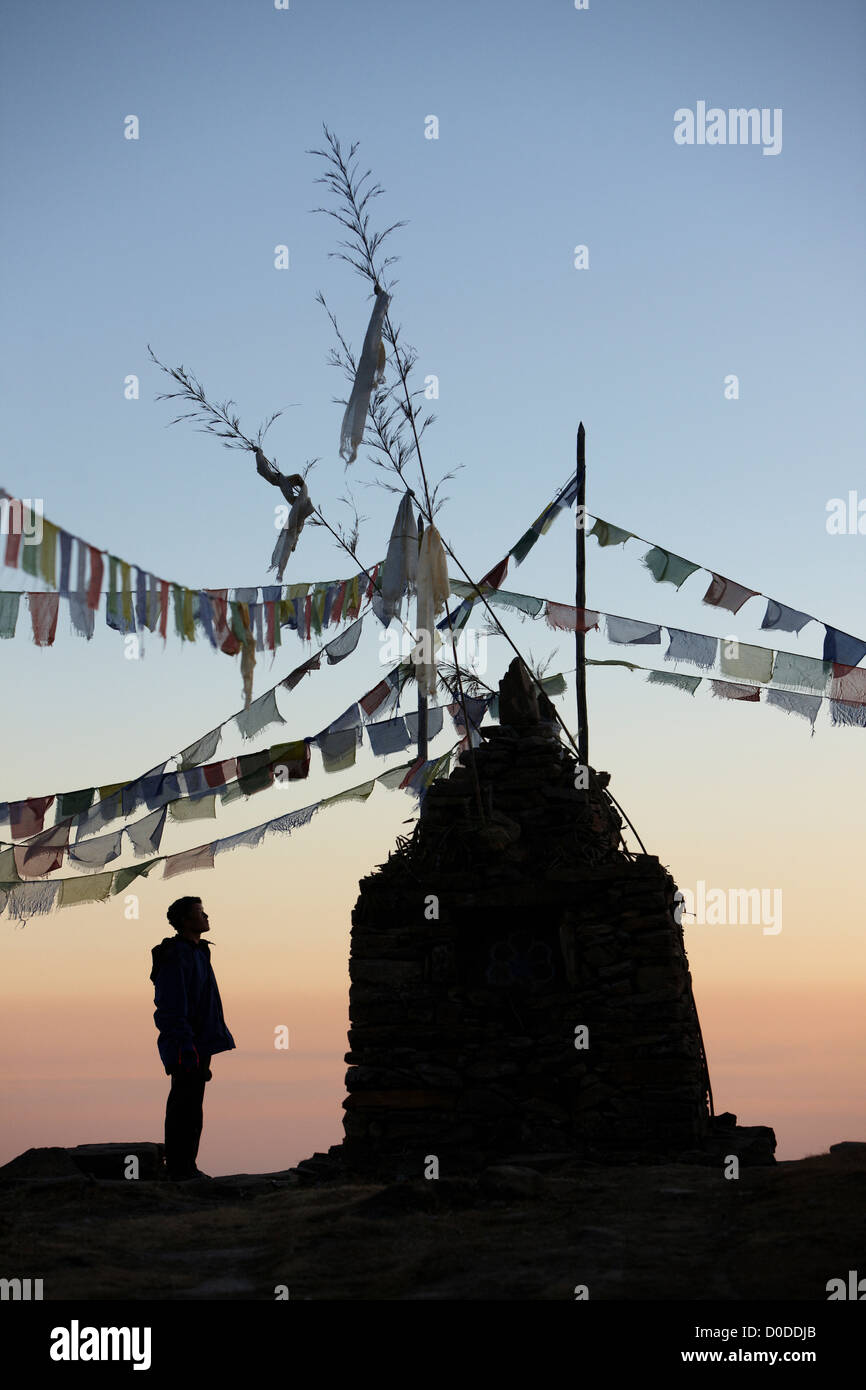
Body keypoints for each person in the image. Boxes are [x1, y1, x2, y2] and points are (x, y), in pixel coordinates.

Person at [150, 897, 236, 1181]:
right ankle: (179, 1168)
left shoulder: (199, 952)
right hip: (186, 1044)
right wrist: (185, 1045)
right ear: (186, 921)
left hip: (201, 1041)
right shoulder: (176, 955)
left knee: (193, 1106)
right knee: (183, 1106)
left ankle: (187, 1165)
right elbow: (173, 1005)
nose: (206, 916)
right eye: (200, 913)